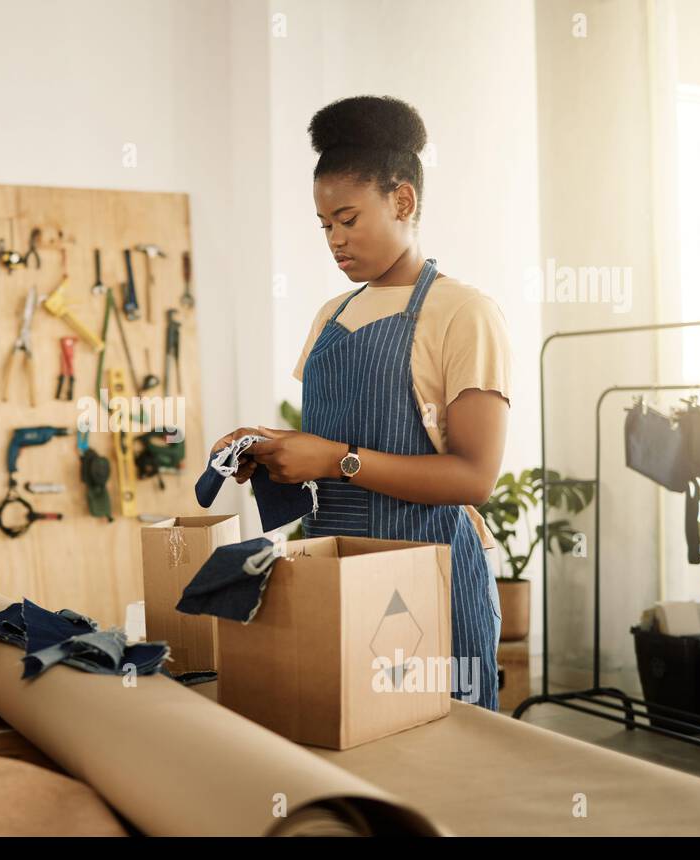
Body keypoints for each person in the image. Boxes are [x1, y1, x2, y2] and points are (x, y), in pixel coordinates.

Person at [210, 96, 511, 710]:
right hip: (336, 575)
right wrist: (270, 448)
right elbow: (328, 441)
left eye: (348, 219)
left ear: (402, 201)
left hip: (426, 583)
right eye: (324, 225)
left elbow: (475, 477)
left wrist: (336, 460)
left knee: (445, 765)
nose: (335, 241)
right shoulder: (332, 316)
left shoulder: (463, 312)